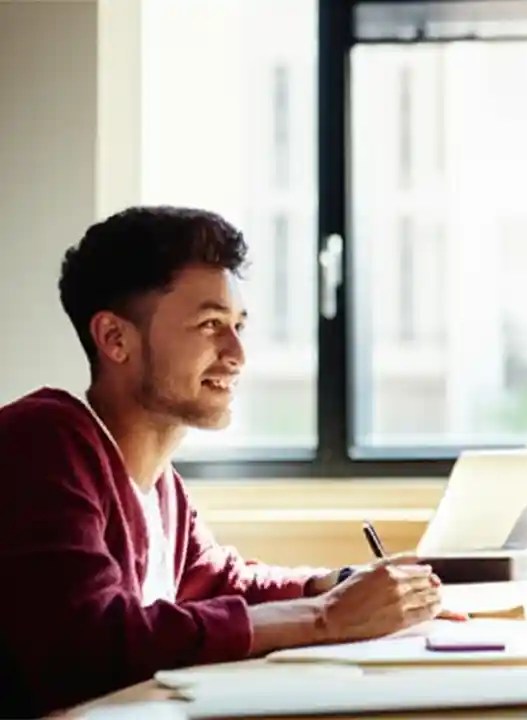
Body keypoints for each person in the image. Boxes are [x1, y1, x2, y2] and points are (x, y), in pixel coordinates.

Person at [0, 207, 454, 717]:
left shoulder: (162, 485)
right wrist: (326, 616)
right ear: (114, 339)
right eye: (210, 324)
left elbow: (218, 580)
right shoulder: (40, 440)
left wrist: (340, 583)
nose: (237, 353)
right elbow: (91, 645)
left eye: (238, 325)